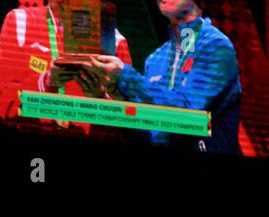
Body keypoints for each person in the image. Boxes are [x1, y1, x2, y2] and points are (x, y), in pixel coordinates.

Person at [85, 0, 242, 153]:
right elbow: (154, 136)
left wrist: (125, 77)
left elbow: (187, 113)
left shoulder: (216, 47)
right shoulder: (155, 60)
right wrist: (113, 102)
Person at [0, 0, 133, 135]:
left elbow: (130, 123)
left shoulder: (114, 41)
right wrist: (45, 83)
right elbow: (4, 106)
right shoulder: (20, 21)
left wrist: (100, 98)